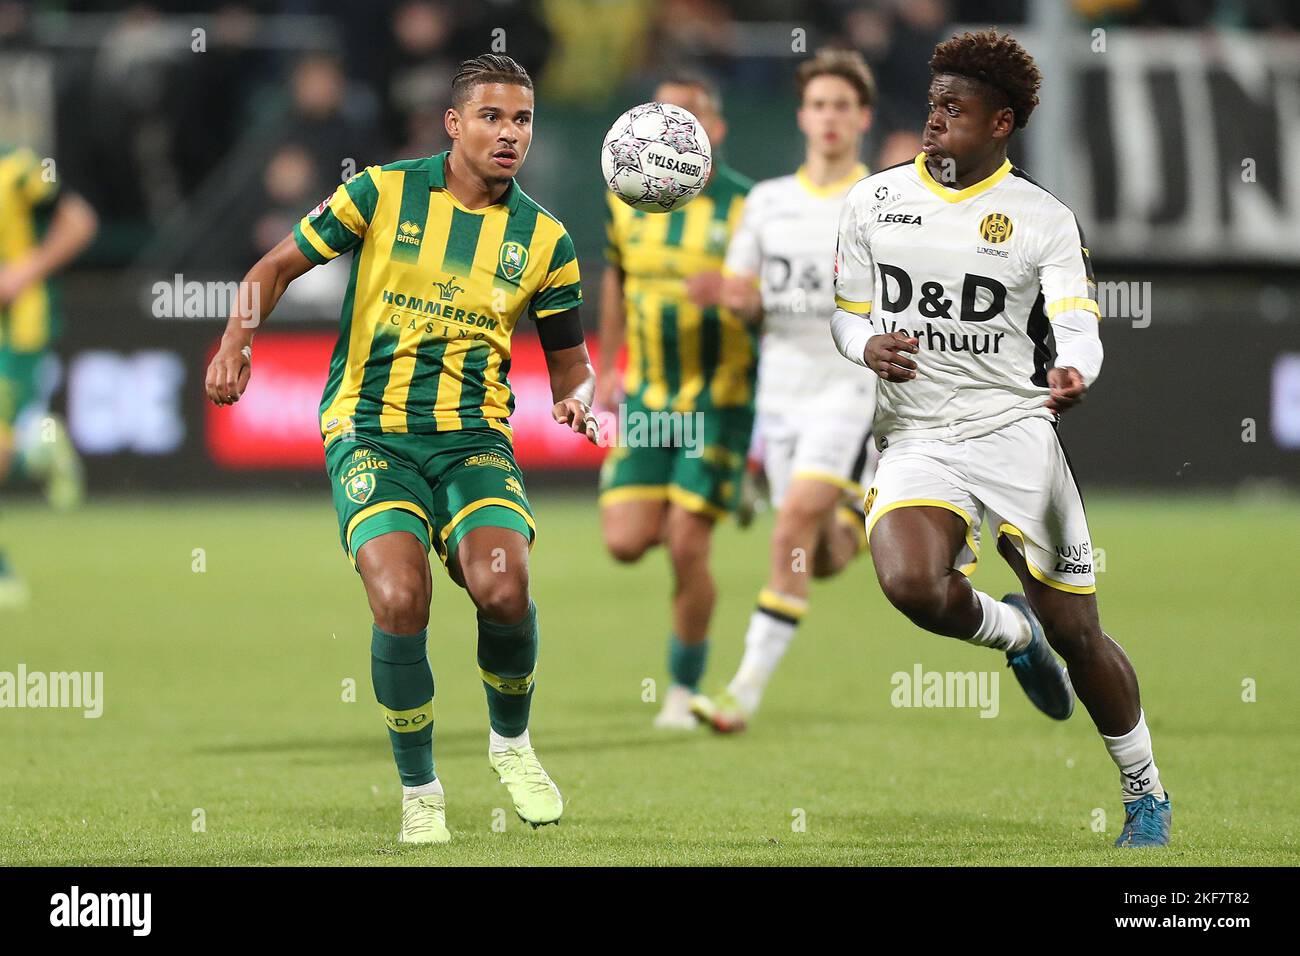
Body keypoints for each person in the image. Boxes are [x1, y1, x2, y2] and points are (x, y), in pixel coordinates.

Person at [205, 54, 596, 844]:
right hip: (369, 427)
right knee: (398, 598)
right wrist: (235, 340)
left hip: (472, 438)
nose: (509, 133)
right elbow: (276, 266)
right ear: (453, 124)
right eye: (491, 116)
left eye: (521, 119)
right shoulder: (380, 192)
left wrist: (578, 399)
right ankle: (421, 792)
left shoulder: (546, 240)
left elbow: (569, 363)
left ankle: (512, 743)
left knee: (504, 588)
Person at [831, 29, 1171, 848]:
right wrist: (866, 345)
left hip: (1017, 432)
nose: (936, 120)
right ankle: (1009, 632)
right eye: (933, 104)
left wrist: (1076, 370)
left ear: (1002, 122)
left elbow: (1076, 320)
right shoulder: (873, 201)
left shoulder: (1041, 218)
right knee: (911, 585)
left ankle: (1145, 792)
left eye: (957, 108)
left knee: (1080, 633)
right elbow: (846, 316)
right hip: (917, 434)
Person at [691, 49, 879, 733]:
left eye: (842, 106)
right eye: (819, 104)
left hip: (851, 387)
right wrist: (727, 296)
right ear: (802, 115)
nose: (830, 117)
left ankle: (742, 689)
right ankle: (854, 530)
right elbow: (745, 298)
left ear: (862, 117)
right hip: (782, 392)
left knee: (794, 522)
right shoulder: (767, 202)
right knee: (816, 551)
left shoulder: (882, 202)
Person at [595, 73, 755, 729]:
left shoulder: (749, 206)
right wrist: (606, 367)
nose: (669, 131)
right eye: (661, 116)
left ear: (714, 130)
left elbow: (779, 301)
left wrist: (744, 296)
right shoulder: (628, 194)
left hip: (719, 400)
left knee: (689, 546)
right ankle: (722, 490)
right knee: (626, 542)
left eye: (687, 116)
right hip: (647, 397)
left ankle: (683, 692)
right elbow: (616, 274)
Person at [0, 146, 98, 609]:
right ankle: (35, 446)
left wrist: (25, 271)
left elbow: (80, 219)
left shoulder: (20, 168)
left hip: (17, 330)